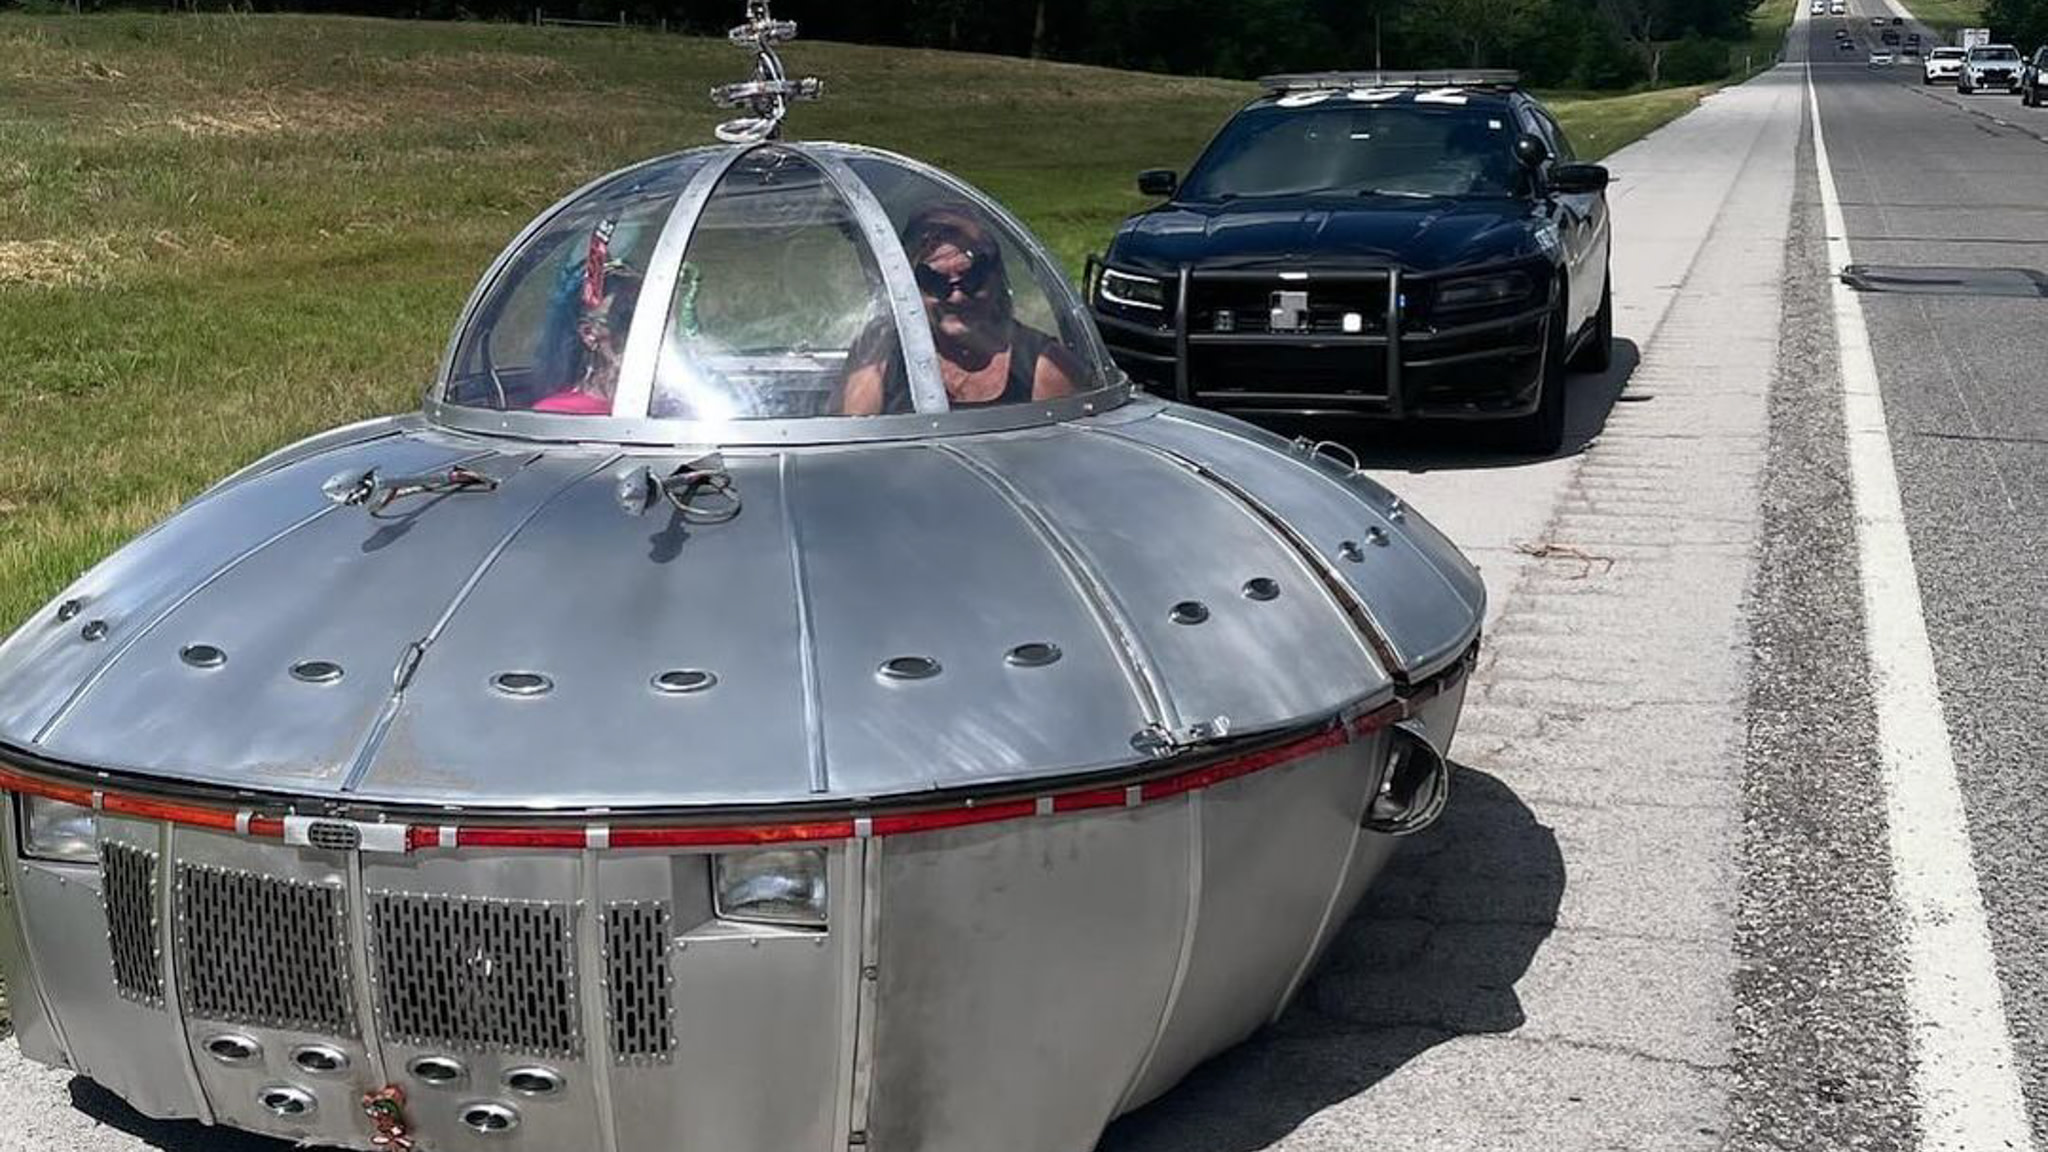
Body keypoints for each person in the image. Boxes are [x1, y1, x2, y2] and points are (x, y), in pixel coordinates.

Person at [835, 205, 1083, 415]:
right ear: (912, 290)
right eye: (935, 282)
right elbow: (852, 446)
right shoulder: (882, 360)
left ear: (995, 279)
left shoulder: (1043, 365)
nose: (957, 297)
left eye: (972, 277)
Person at [532, 219, 642, 415]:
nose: (647, 334)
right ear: (589, 333)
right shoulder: (557, 415)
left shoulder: (674, 404)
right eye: (626, 319)